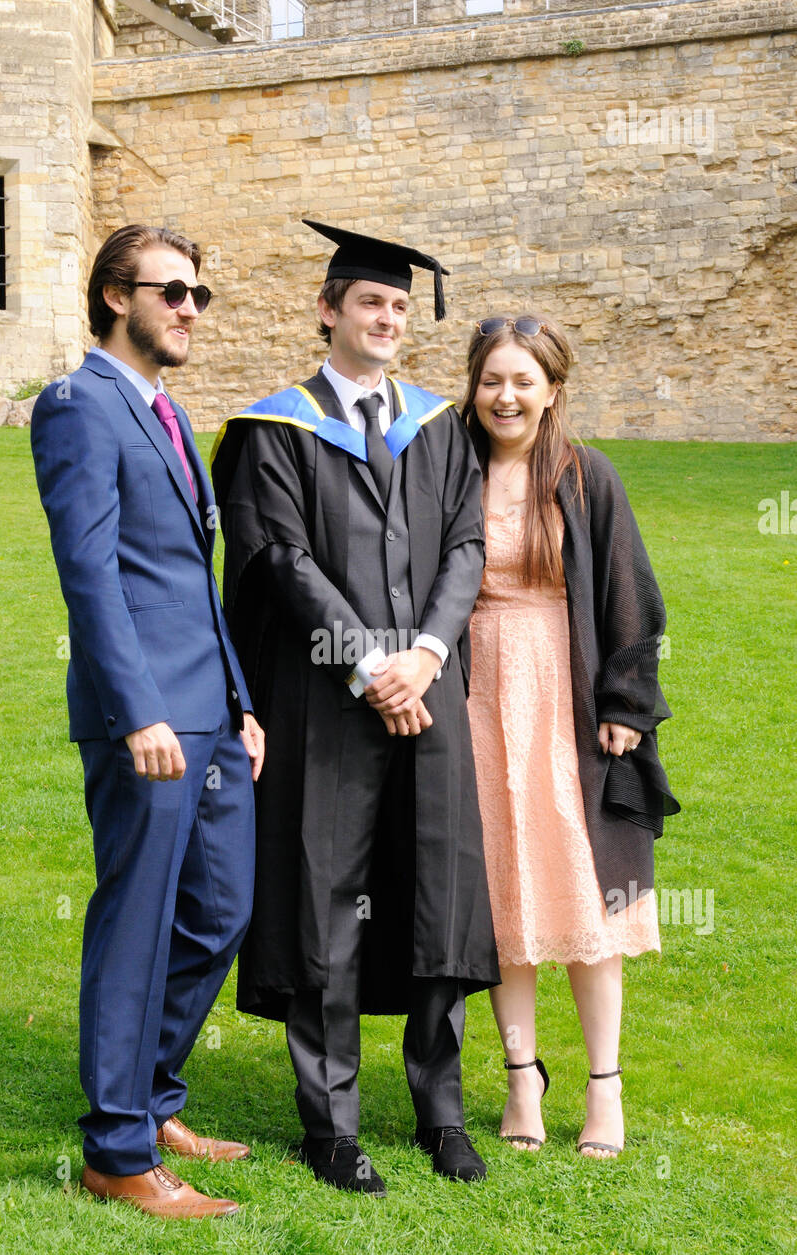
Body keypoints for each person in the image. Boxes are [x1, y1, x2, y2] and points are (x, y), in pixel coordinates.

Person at [211, 220, 499, 1194]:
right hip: (323, 705)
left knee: (436, 889)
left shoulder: (438, 426)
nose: (385, 318)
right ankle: (330, 1127)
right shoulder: (274, 430)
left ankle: (441, 1110)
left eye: (397, 306)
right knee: (322, 893)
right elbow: (279, 561)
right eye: (368, 302)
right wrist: (367, 666)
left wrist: (421, 654)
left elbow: (465, 546)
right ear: (327, 310)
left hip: (429, 692)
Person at [31, 224, 264, 1219]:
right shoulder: (78, 405)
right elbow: (90, 574)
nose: (189, 309)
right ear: (114, 296)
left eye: (198, 294)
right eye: (171, 291)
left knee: (220, 909)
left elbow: (189, 581)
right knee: (135, 924)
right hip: (148, 726)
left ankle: (154, 1094)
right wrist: (138, 714)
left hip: (209, 716)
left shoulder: (163, 411)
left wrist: (241, 701)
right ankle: (118, 1149)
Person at [461, 313, 679, 1158]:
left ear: (553, 389)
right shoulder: (454, 470)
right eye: (491, 380)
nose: (505, 395)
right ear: (472, 386)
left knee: (587, 892)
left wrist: (625, 704)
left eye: (522, 380)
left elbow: (630, 590)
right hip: (477, 699)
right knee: (500, 892)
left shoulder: (587, 478)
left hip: (567, 695)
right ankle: (521, 1079)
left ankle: (603, 1087)